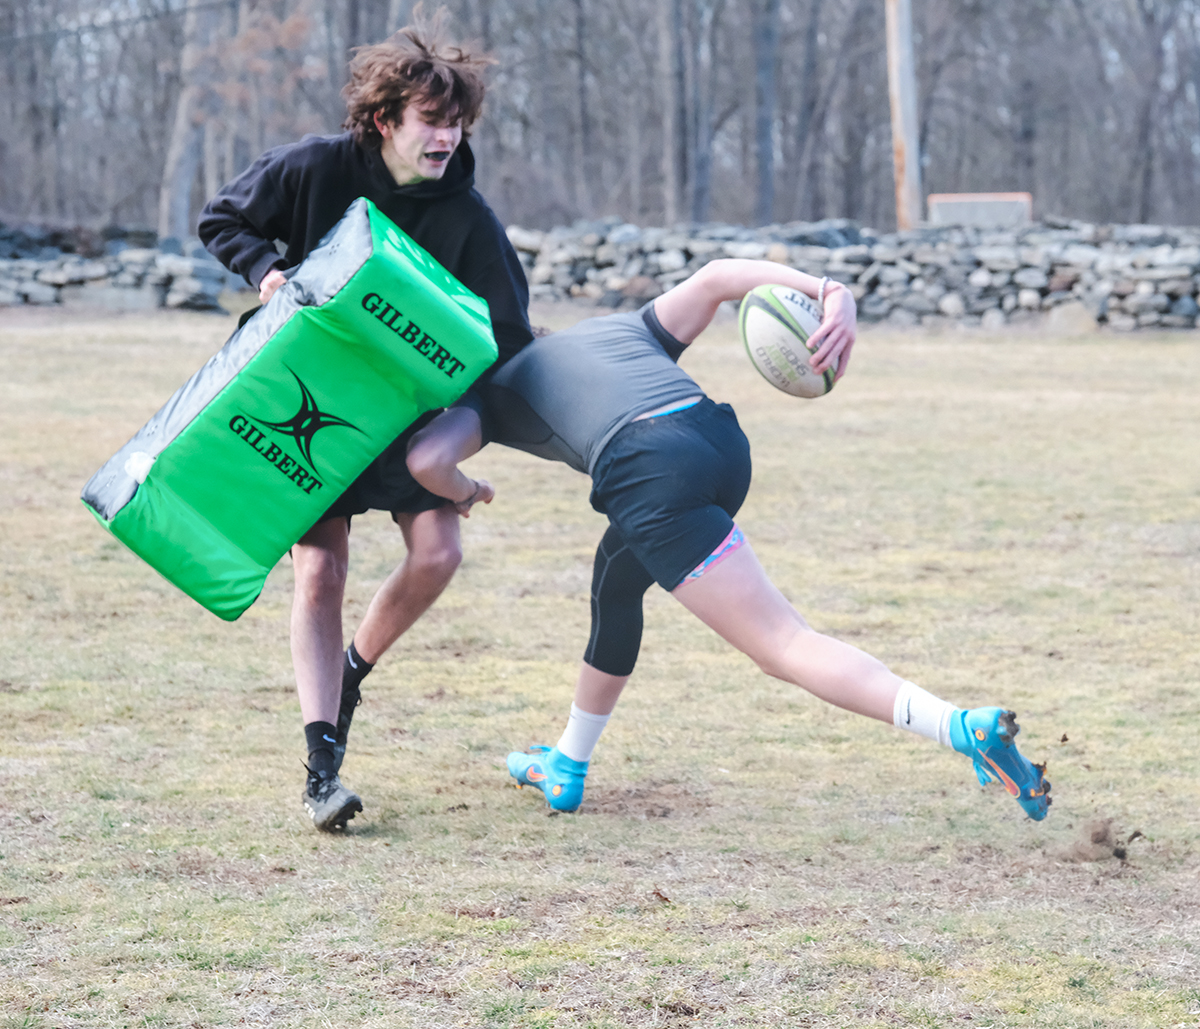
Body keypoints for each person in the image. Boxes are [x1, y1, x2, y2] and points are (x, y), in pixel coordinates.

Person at [403, 258, 1052, 821]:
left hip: (648, 470)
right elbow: (718, 280)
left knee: (785, 644)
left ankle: (960, 728)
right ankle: (567, 764)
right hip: (715, 443)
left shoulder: (486, 391)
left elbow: (427, 460)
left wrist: (465, 491)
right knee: (618, 583)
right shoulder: (609, 331)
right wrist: (831, 290)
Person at [197, 9, 531, 831]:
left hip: (404, 412)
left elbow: (511, 336)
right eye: (431, 121)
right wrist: (268, 272)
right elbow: (222, 220)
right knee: (321, 570)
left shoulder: (468, 217)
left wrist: (457, 416)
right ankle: (321, 764)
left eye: (456, 124)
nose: (446, 138)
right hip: (303, 395)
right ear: (385, 120)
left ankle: (352, 671)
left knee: (440, 551)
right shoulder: (315, 168)